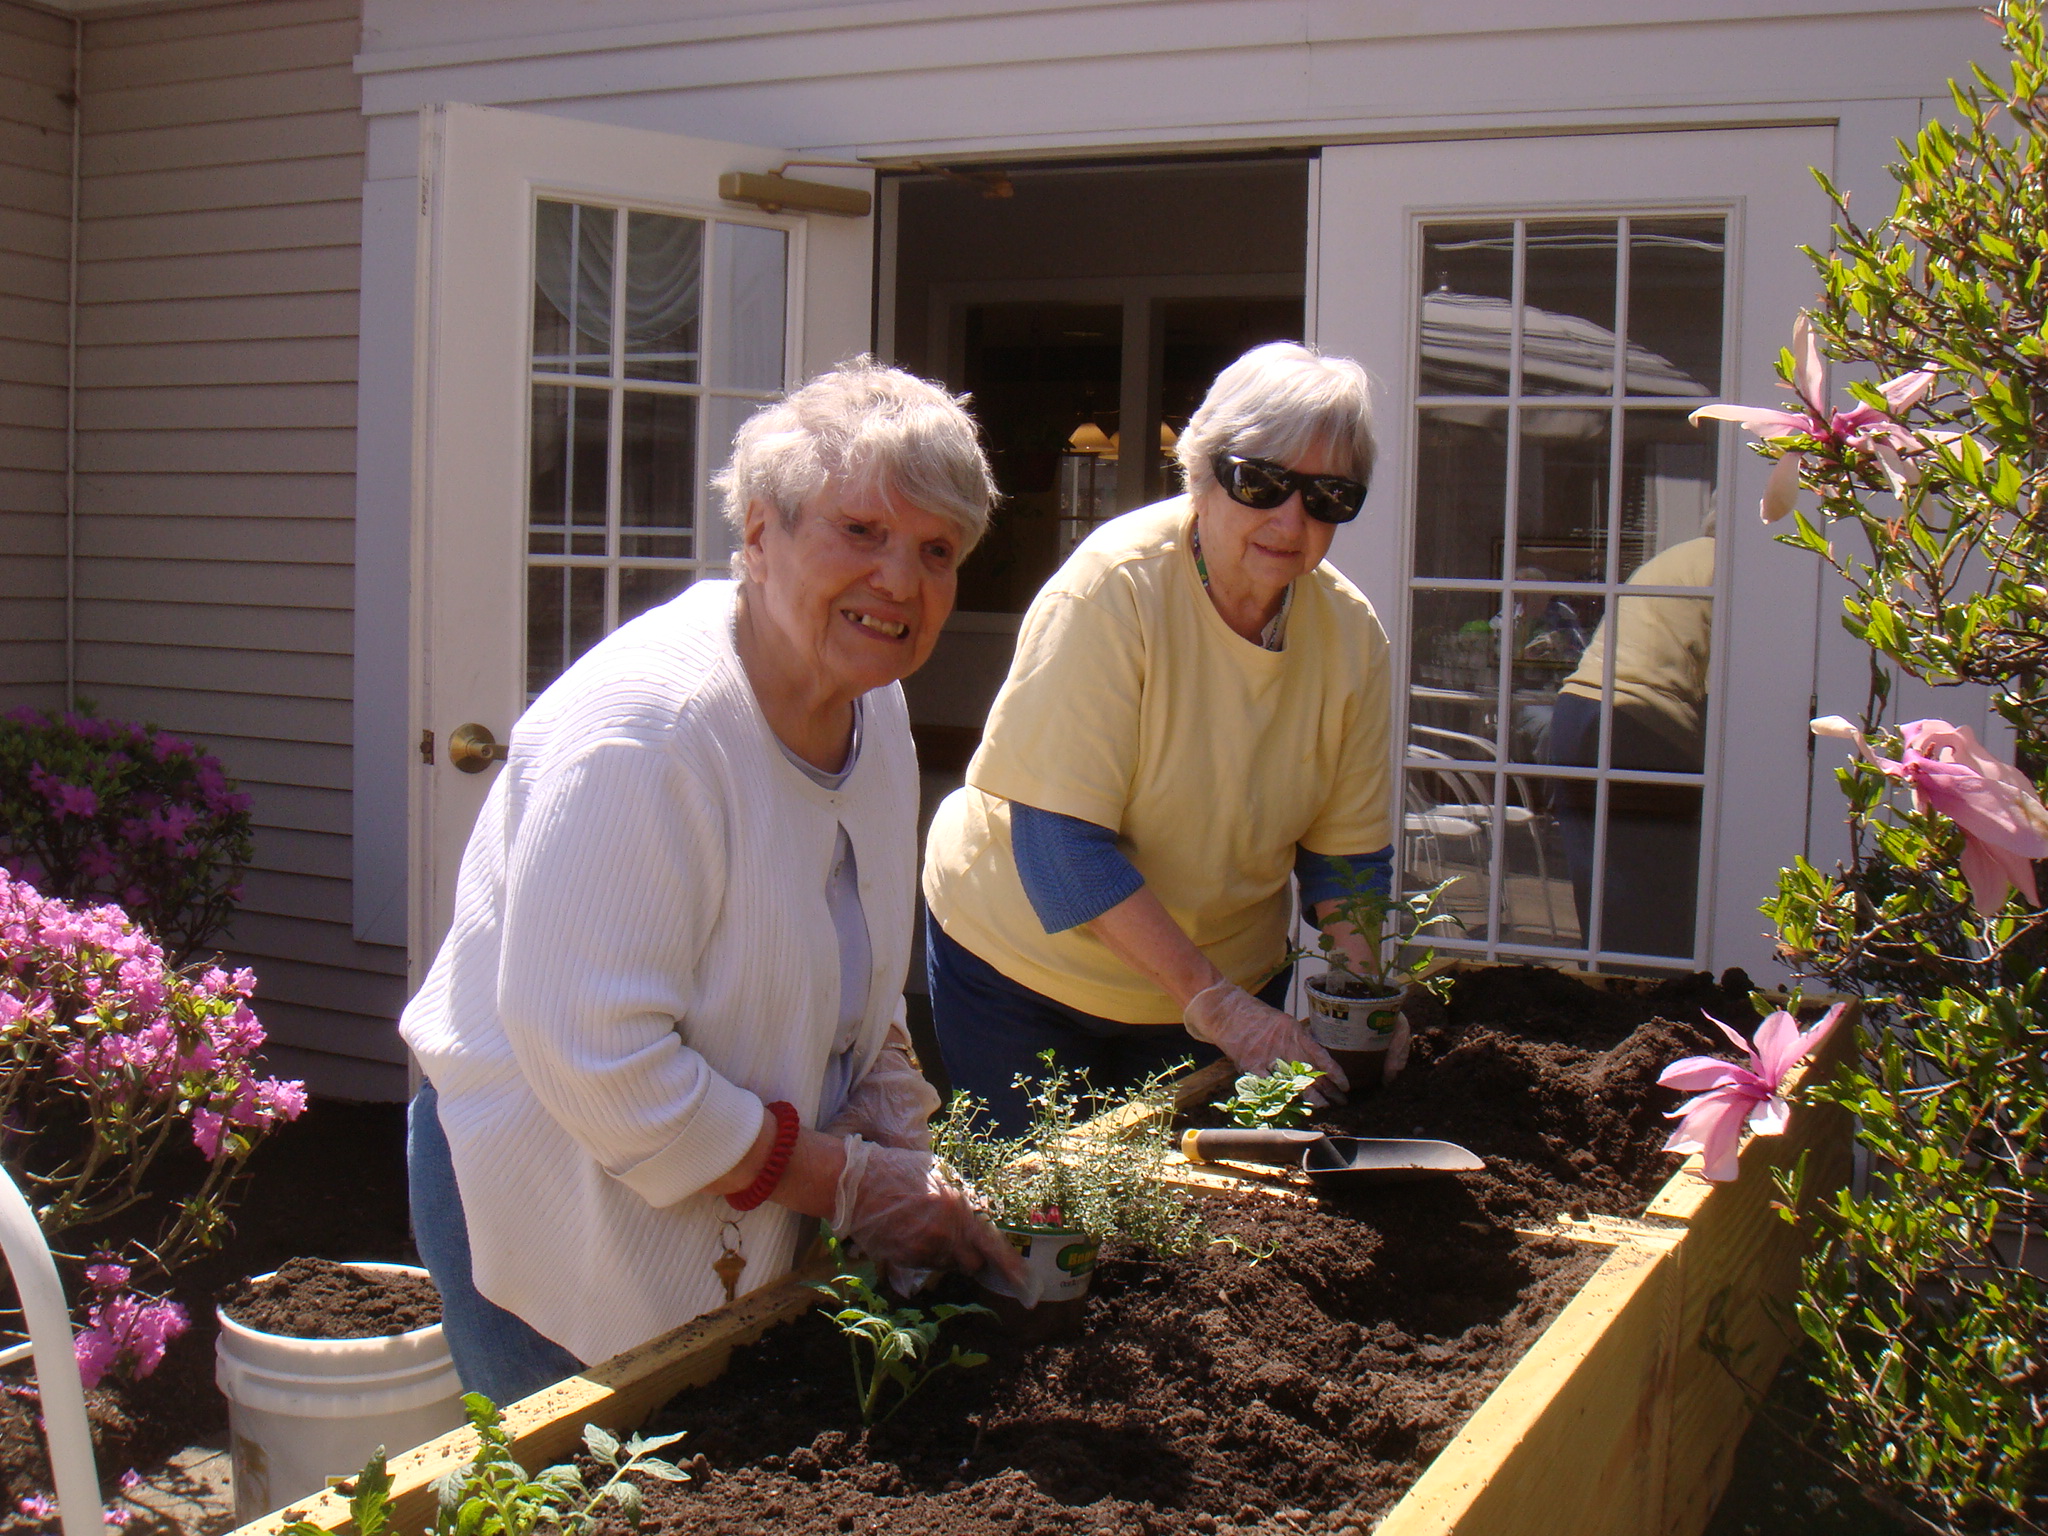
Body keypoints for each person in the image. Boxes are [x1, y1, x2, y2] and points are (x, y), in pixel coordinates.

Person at [401, 359, 1028, 1403]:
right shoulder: (648, 736)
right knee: (591, 1495)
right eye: (860, 532)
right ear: (757, 534)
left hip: (738, 1198)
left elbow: (854, 970)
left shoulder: (872, 711)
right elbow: (600, 1063)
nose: (901, 582)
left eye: (936, 551)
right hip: (554, 1199)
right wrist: (848, 1182)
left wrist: (902, 1144)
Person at [922, 341, 1401, 1134]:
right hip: (1025, 969)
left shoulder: (1351, 637)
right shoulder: (1114, 589)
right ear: (1203, 474)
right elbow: (1057, 851)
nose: (1291, 518)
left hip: (1220, 979)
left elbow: (1346, 863)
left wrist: (1365, 1000)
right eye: (1262, 482)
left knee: (1182, 1232)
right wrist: (1220, 1008)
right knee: (1036, 1222)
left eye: (1328, 497)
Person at [1547, 533, 1714, 958]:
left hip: (1577, 711)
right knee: (1657, 901)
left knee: (1601, 894)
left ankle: (1605, 994)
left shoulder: (1680, 557)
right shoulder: (1735, 569)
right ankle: (1653, 1006)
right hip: (1641, 725)